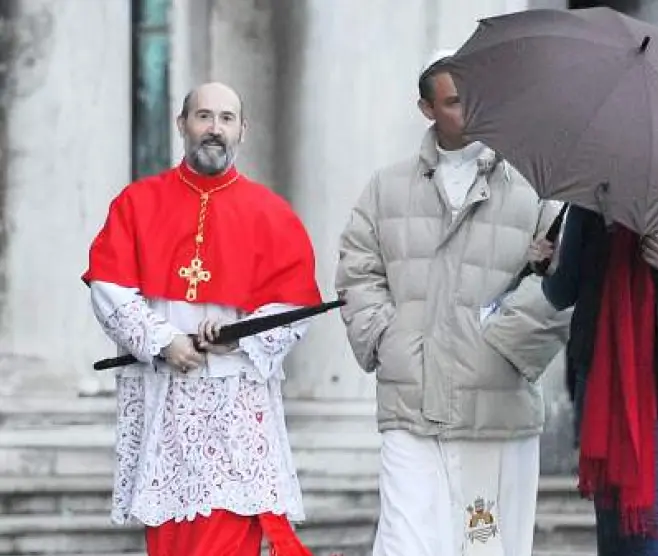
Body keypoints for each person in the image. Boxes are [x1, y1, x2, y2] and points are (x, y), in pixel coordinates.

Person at [334, 51, 570, 556]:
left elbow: (566, 283)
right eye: (457, 101)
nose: (474, 109)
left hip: (497, 405)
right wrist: (385, 338)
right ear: (427, 109)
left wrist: (508, 344)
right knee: (405, 544)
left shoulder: (537, 187)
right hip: (411, 400)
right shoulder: (387, 186)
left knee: (487, 546)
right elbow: (358, 270)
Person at [83, 82, 321, 556]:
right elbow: (108, 288)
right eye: (204, 116)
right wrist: (162, 340)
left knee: (229, 533)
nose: (215, 129)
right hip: (163, 403)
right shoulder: (137, 203)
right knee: (171, 540)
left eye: (227, 118)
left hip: (234, 407)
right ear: (182, 125)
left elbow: (295, 306)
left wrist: (239, 341)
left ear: (242, 131)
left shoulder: (271, 213)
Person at [533, 204, 658, 556]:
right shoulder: (590, 208)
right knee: (611, 522)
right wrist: (546, 266)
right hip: (602, 383)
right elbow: (562, 293)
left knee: (645, 518)